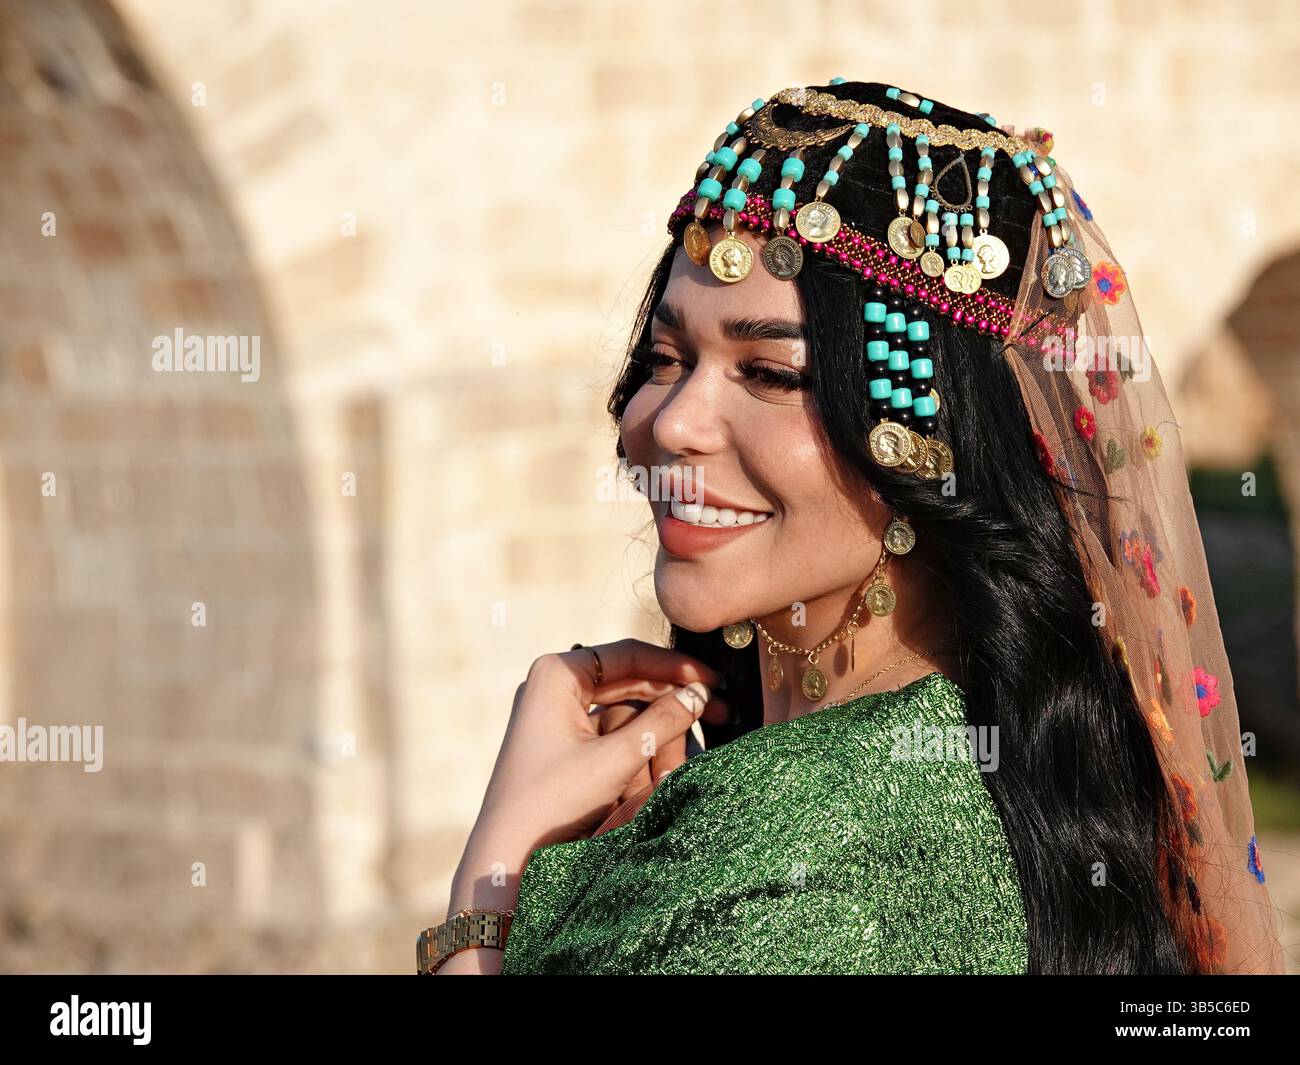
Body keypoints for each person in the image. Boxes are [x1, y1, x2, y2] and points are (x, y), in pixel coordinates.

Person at [423, 79, 1285, 975]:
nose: (674, 422)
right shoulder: (994, 761)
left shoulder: (799, 853)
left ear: (925, 439)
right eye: (668, 356)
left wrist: (486, 893)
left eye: (769, 374)